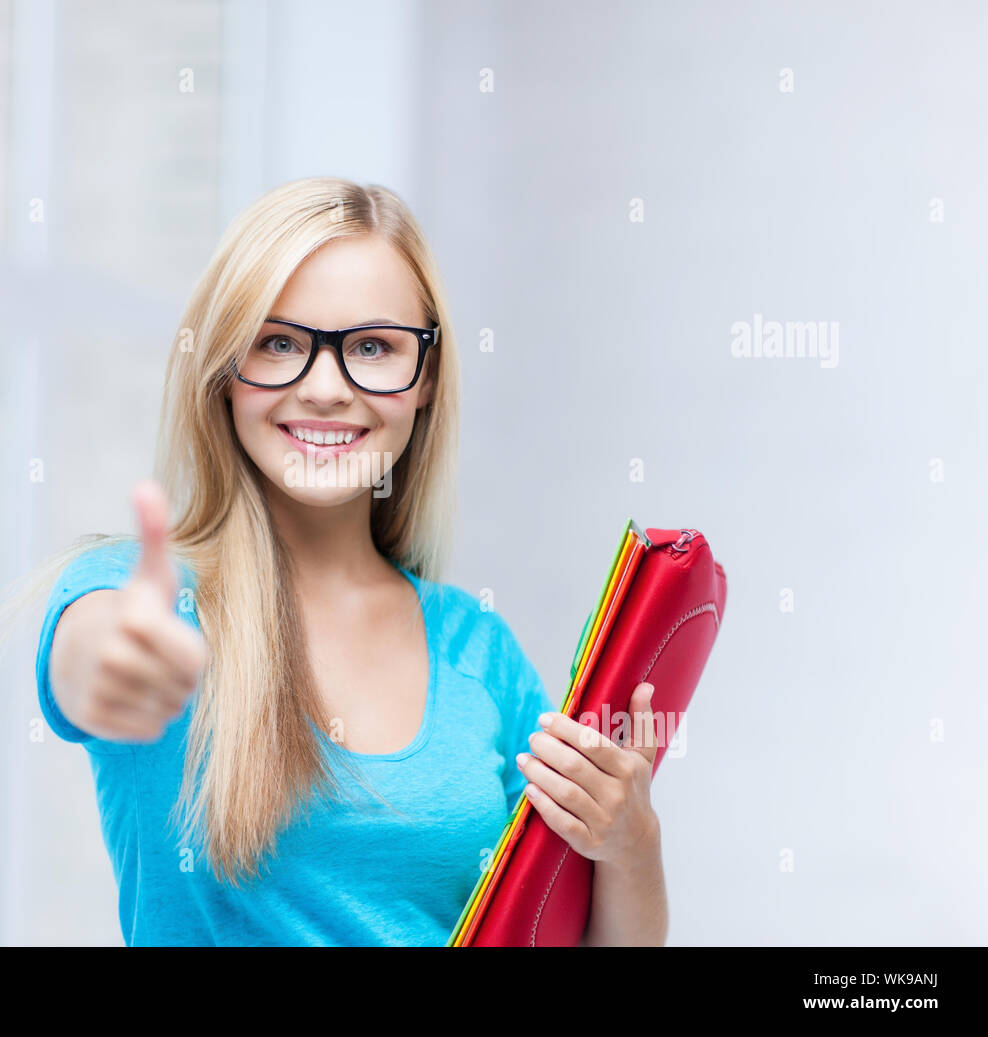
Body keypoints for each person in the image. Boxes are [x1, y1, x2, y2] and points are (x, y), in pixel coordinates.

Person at [35, 176, 667, 946]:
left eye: (372, 346)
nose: (326, 388)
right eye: (278, 343)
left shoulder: (479, 649)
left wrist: (630, 842)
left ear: (426, 376)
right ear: (223, 370)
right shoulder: (135, 596)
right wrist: (117, 663)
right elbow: (89, 659)